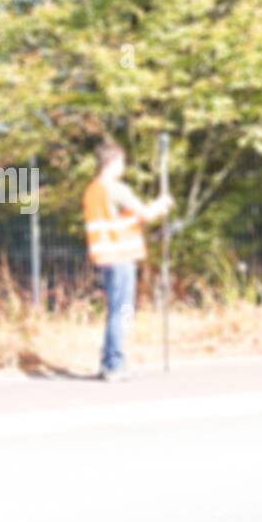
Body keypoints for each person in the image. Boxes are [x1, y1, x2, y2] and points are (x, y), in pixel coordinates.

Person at [81, 140, 171, 381]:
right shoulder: (115, 189)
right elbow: (146, 213)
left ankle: (109, 360)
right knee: (121, 312)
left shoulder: (92, 190)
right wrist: (162, 205)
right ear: (111, 163)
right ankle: (114, 364)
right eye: (121, 162)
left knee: (115, 311)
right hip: (121, 256)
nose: (123, 167)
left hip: (105, 256)